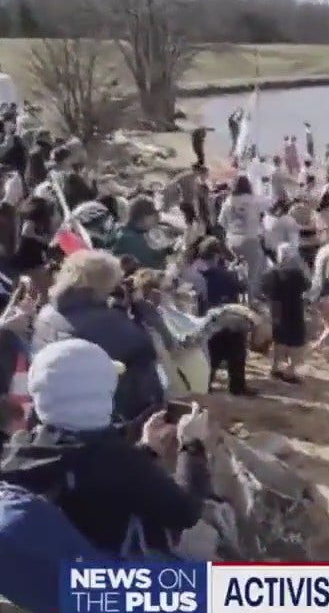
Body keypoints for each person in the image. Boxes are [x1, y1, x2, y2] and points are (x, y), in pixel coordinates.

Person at [0, 338, 210, 557]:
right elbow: (184, 512)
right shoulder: (118, 460)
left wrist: (147, 450)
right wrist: (191, 444)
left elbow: (88, 470)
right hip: (99, 582)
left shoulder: (18, 449)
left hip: (39, 578)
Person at [31, 251, 164, 432]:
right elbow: (146, 350)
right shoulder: (109, 322)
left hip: (52, 410)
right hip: (101, 420)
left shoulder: (47, 313)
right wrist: (138, 310)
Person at [198, 238, 254, 397]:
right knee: (236, 353)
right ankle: (237, 387)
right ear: (217, 255)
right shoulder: (226, 275)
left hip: (208, 318)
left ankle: (205, 384)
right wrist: (239, 273)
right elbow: (242, 287)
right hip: (228, 317)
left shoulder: (198, 272)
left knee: (211, 354)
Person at [261, 243, 309, 384]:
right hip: (294, 310)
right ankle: (290, 370)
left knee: (279, 340)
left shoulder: (271, 273)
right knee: (294, 341)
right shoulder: (297, 274)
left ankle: (276, 367)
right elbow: (308, 285)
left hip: (277, 311)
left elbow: (264, 290)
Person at [218, 176, 266, 299]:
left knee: (235, 266)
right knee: (254, 270)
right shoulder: (254, 200)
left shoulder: (228, 201)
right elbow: (263, 214)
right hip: (250, 238)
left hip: (233, 240)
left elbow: (221, 222)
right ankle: (251, 298)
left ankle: (234, 292)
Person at [109, 197, 167, 270]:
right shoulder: (130, 238)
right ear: (144, 217)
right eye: (154, 214)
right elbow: (152, 266)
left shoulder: (127, 231)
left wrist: (165, 251)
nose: (158, 218)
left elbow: (150, 254)